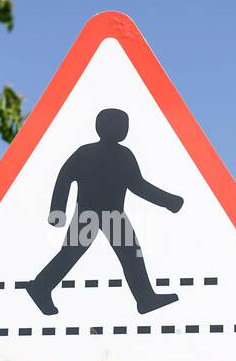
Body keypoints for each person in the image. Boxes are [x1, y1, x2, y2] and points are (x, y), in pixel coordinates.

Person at [25, 108, 183, 315]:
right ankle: (40, 286)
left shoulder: (124, 155)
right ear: (103, 127)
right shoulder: (87, 152)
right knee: (72, 255)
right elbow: (64, 177)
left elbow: (137, 185)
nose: (123, 128)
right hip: (89, 214)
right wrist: (57, 211)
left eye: (124, 124)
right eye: (118, 124)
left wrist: (168, 201)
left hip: (112, 214)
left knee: (130, 255)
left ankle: (145, 298)